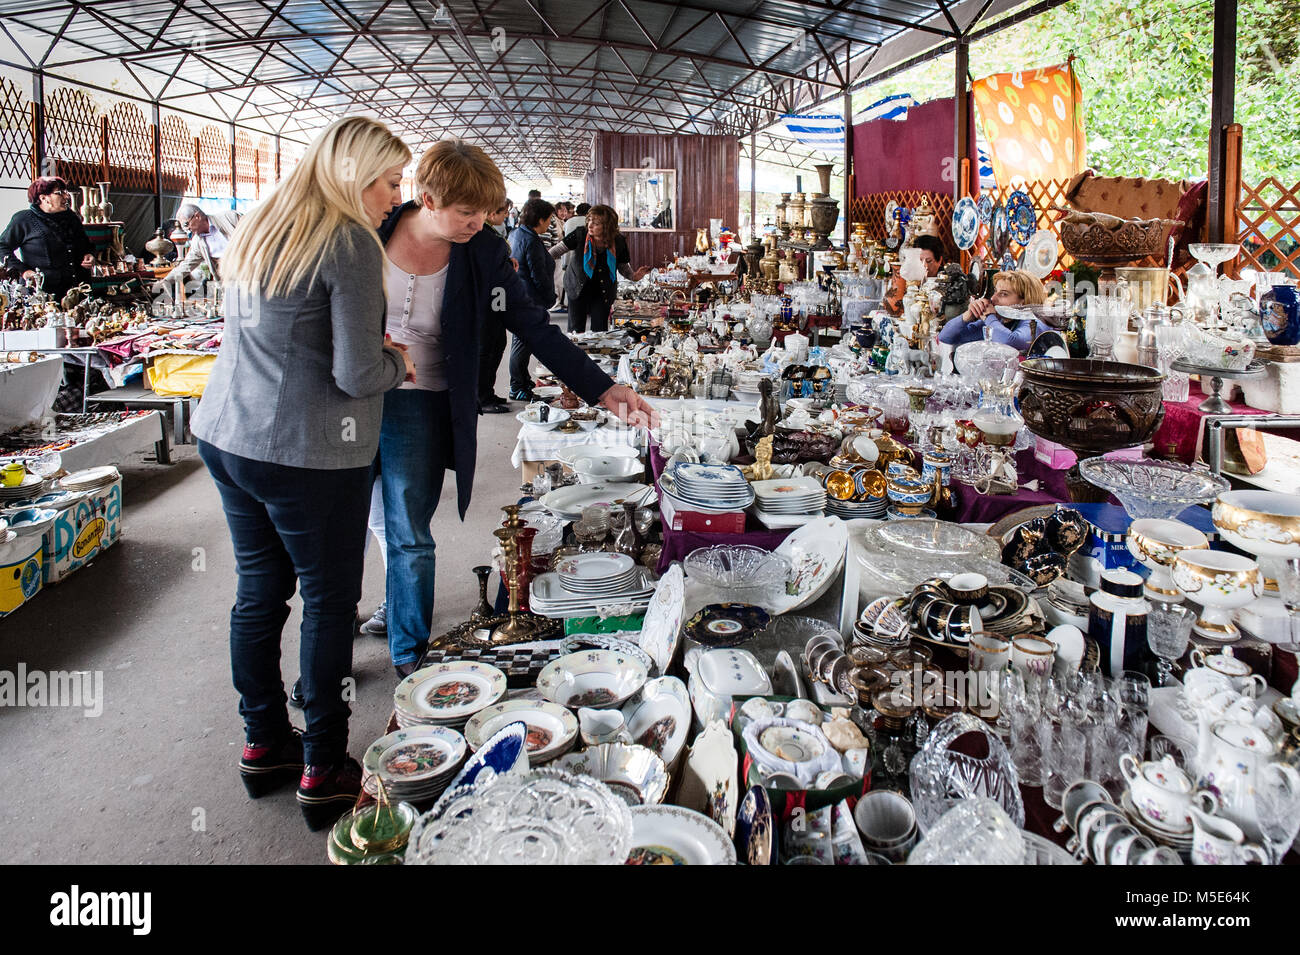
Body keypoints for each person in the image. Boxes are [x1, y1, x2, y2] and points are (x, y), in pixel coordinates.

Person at [191, 116, 416, 831]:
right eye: (387, 182)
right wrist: (400, 362)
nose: (394, 197)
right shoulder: (348, 238)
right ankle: (324, 762)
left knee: (259, 591)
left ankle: (264, 741)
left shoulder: (265, 222)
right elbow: (355, 373)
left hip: (228, 434)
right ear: (355, 175)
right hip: (306, 453)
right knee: (327, 600)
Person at [373, 141, 656, 676]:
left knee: (408, 527)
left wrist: (602, 389)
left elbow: (532, 325)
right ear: (426, 199)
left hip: (420, 401)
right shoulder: (373, 224)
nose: (479, 222)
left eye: (487, 211)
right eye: (466, 212)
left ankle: (407, 655)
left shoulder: (479, 250)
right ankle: (336, 650)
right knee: (352, 528)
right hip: (348, 397)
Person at [550, 204, 649, 334]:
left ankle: (595, 355)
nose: (590, 225)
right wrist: (541, 266)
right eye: (589, 220)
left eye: (595, 223)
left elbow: (622, 265)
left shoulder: (618, 240)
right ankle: (575, 354)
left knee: (600, 331)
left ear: (607, 226)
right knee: (575, 331)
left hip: (603, 289)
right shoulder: (580, 233)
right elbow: (556, 251)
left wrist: (634, 276)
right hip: (577, 286)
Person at [0, 177, 94, 297]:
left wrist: (90, 255)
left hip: (79, 290)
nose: (66, 196)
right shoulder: (23, 219)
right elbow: (2, 247)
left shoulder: (71, 217)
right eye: (59, 193)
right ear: (43, 198)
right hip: (45, 294)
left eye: (65, 192)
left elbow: (86, 245)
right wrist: (23, 271)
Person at [507, 197, 556, 400]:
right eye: (549, 219)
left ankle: (521, 381)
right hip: (530, 298)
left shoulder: (516, 234)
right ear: (540, 219)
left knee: (522, 342)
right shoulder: (532, 241)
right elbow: (539, 275)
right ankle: (517, 387)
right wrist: (549, 297)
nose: (549, 223)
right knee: (522, 342)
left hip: (520, 294)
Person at [937, 269, 1046, 351]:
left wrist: (989, 317)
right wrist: (967, 316)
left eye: (1003, 294)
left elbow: (1011, 342)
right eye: (995, 291)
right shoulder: (1000, 320)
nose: (993, 298)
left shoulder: (1036, 321)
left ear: (1024, 300)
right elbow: (945, 337)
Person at [160, 202, 241, 299]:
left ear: (197, 216)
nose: (187, 229)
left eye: (186, 224)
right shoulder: (198, 243)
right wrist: (167, 280)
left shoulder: (230, 218)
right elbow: (187, 265)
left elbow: (256, 232)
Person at [478, 202, 513, 414]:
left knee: (497, 344)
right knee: (487, 350)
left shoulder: (492, 233)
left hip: (496, 299)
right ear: (491, 213)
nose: (506, 215)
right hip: (488, 301)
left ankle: (488, 392)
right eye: (503, 212)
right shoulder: (484, 236)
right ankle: (482, 397)